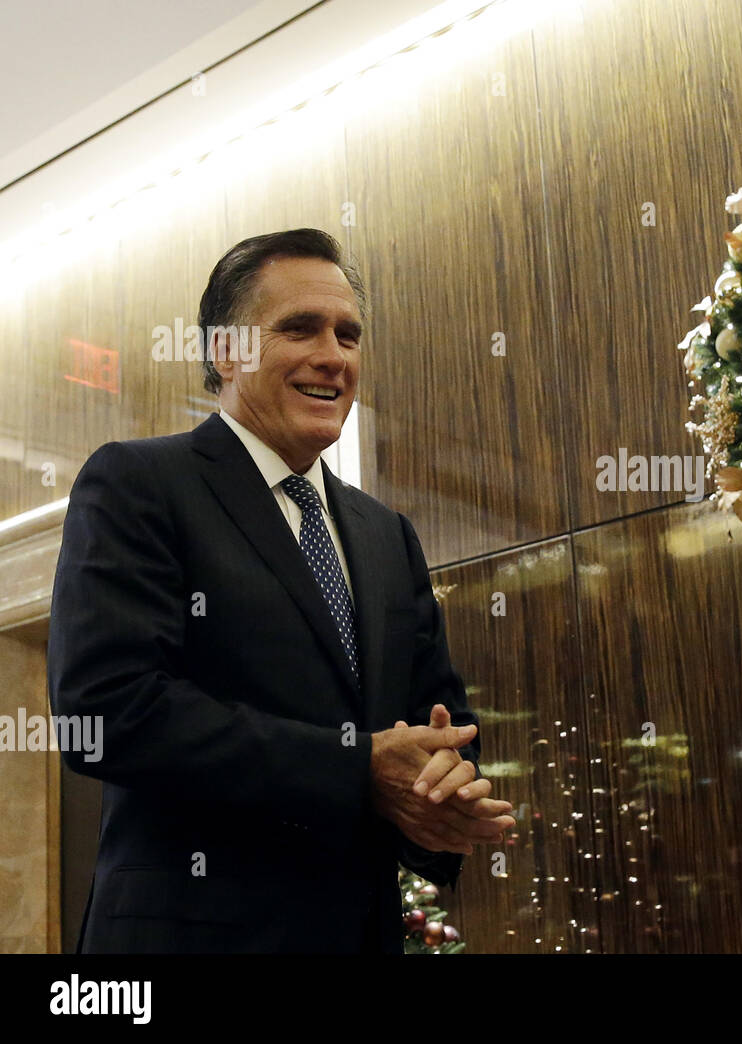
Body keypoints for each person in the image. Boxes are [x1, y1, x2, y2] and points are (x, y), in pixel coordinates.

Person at [47, 228, 513, 953]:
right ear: (226, 351)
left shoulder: (389, 535)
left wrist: (440, 806)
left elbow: (439, 730)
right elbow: (105, 711)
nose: (333, 356)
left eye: (349, 335)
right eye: (300, 328)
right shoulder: (139, 484)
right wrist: (355, 767)